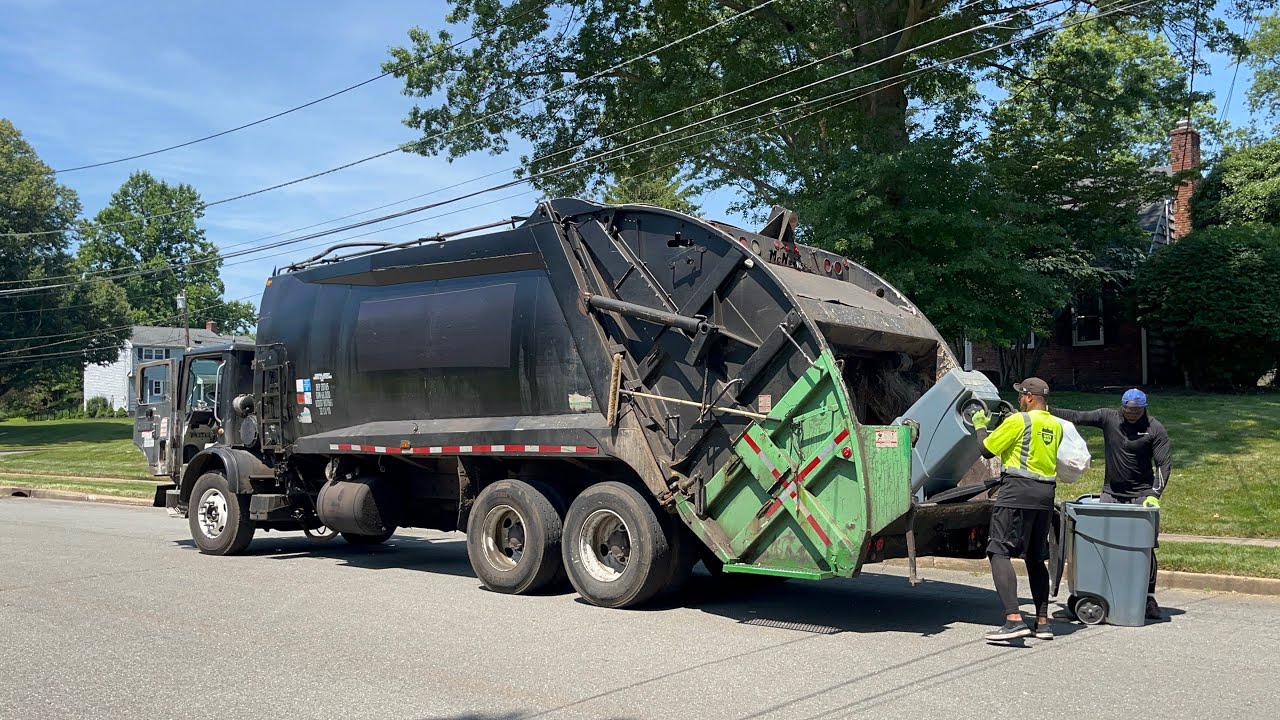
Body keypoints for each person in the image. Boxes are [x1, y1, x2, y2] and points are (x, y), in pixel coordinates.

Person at [1051, 388, 1171, 620]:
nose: (1131, 414)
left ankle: (1147, 597)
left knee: (1145, 548)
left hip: (1141, 495)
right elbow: (1077, 416)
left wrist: (1155, 493)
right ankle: (1099, 591)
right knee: (1102, 545)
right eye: (1127, 409)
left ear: (1144, 408)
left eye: (1136, 410)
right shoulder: (1109, 418)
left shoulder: (1154, 429)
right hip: (1111, 494)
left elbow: (1163, 465)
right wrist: (1046, 410)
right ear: (1122, 406)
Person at [971, 377, 1063, 642]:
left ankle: (1013, 619)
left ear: (1030, 397)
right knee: (1035, 557)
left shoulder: (1018, 421)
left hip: (1017, 493)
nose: (1019, 400)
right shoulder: (1055, 425)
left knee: (999, 551)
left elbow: (987, 450)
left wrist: (980, 426)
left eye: (1021, 396)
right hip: (1045, 495)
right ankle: (1043, 622)